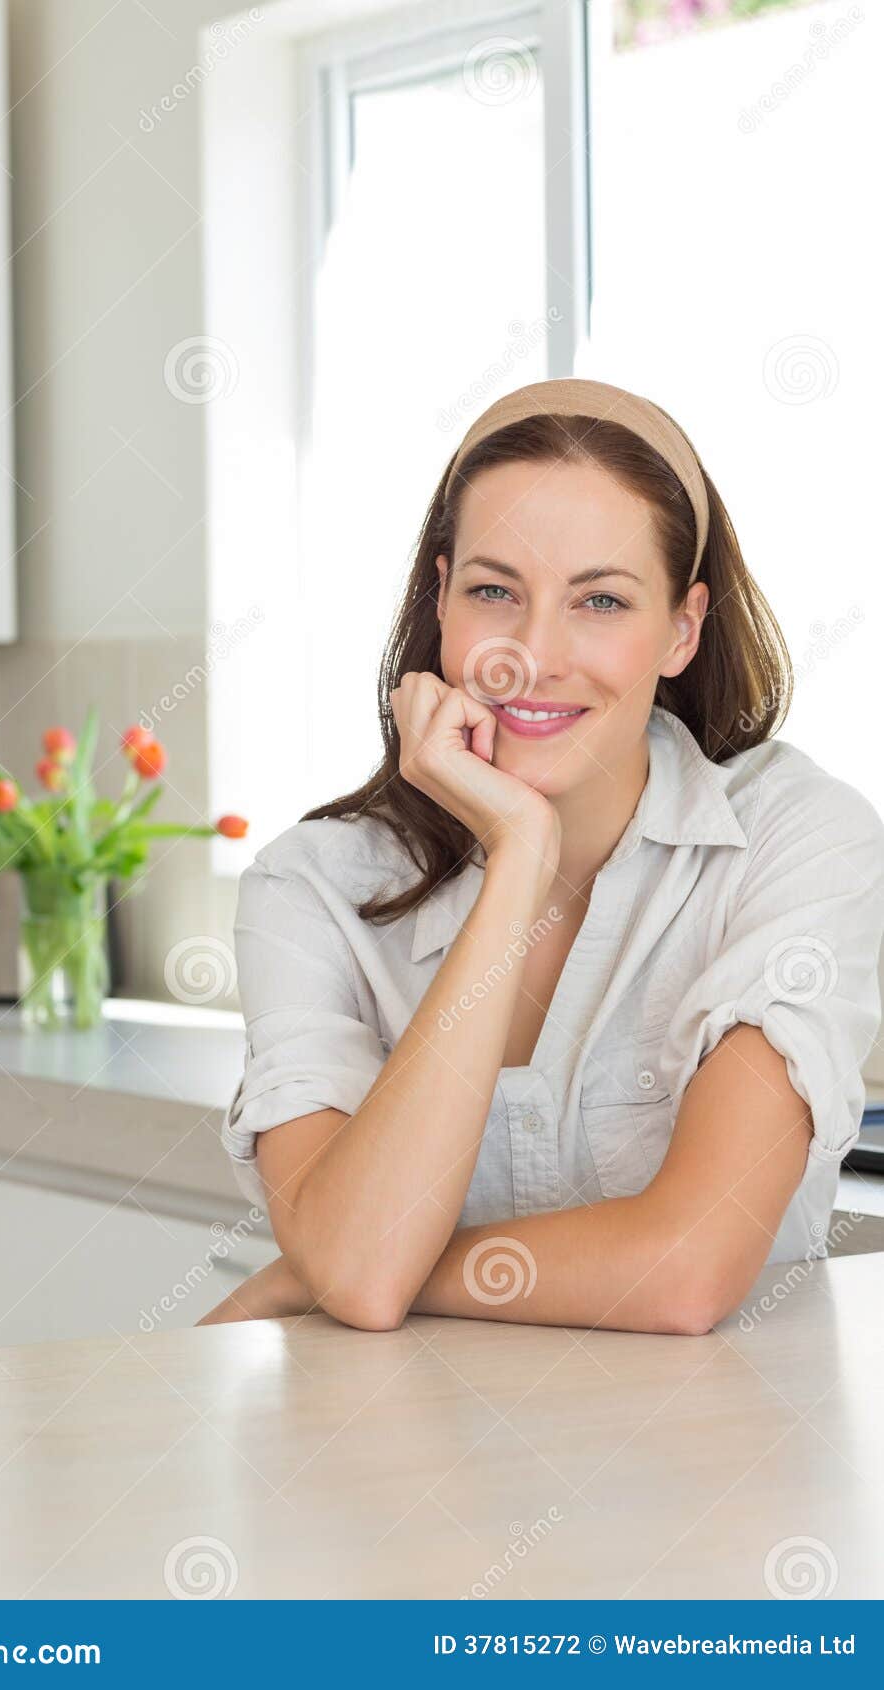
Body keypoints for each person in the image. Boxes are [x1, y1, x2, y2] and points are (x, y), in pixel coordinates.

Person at [201, 377, 884, 1335]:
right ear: (439, 598)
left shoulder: (797, 836)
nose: (531, 653)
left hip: (711, 1469)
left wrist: (325, 1272)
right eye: (493, 591)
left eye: (599, 601)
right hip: (399, 1466)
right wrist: (517, 855)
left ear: (681, 629)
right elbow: (356, 1271)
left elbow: (688, 1273)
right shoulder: (309, 885)